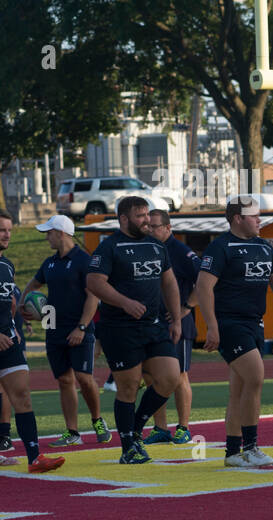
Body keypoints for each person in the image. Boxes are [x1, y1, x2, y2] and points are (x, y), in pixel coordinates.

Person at [85, 195, 183, 464]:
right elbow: (94, 282)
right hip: (119, 328)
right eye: (140, 216)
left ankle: (136, 427)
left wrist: (176, 319)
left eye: (147, 214)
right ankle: (128, 447)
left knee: (170, 378)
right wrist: (125, 302)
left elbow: (170, 283)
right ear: (124, 218)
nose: (147, 220)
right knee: (127, 387)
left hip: (154, 326)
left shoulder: (155, 245)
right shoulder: (109, 247)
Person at [194, 195, 273, 468]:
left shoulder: (263, 247)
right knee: (255, 377)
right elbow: (203, 287)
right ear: (237, 219)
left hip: (253, 323)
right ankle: (251, 447)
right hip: (229, 323)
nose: (260, 220)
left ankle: (233, 453)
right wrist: (212, 326)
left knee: (239, 388)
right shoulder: (220, 247)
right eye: (254, 215)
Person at [17, 214, 110, 446]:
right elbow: (34, 284)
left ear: (61, 233)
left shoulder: (83, 260)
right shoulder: (49, 262)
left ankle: (98, 420)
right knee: (64, 380)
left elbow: (93, 296)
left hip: (79, 328)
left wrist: (81, 327)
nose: (46, 237)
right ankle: (73, 432)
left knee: (84, 378)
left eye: (49, 233)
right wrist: (22, 304)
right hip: (52, 327)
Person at [0, 212, 65, 472]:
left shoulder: (7, 266)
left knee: (23, 397)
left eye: (9, 230)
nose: (6, 235)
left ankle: (34, 458)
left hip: (9, 341)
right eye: (1, 230)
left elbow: (9, 299)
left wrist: (21, 313)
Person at [141, 205, 201, 445]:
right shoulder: (148, 250)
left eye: (154, 226)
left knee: (179, 376)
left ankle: (183, 427)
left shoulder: (181, 252)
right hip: (152, 324)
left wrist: (186, 308)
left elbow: (205, 280)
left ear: (168, 227)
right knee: (153, 377)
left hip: (177, 324)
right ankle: (160, 427)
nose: (150, 230)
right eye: (147, 226)